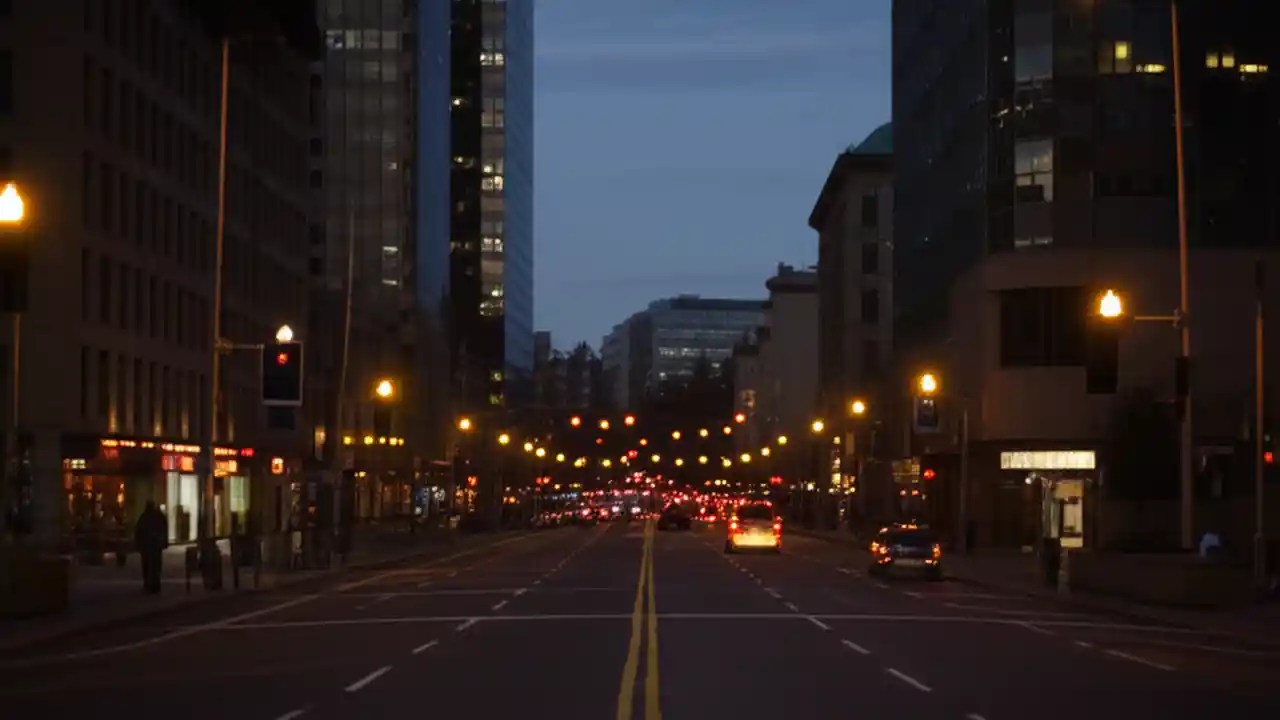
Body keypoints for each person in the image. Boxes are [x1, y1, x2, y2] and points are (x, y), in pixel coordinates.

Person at [134, 501, 168, 594]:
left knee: (148, 565)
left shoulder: (144, 517)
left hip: (148, 545)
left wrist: (138, 544)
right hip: (155, 545)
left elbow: (138, 531)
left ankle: (149, 584)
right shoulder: (158, 517)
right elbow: (164, 530)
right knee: (155, 566)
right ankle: (155, 584)